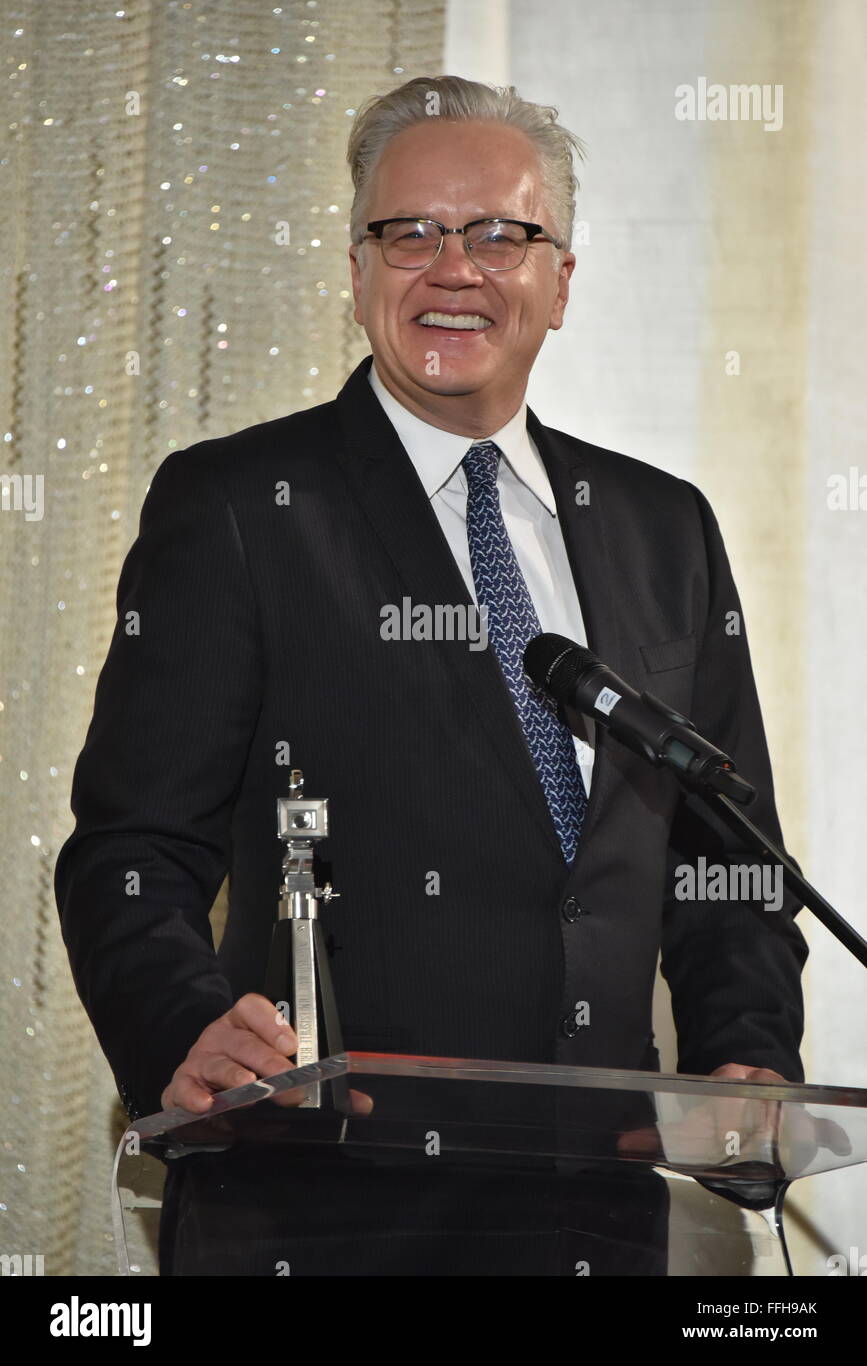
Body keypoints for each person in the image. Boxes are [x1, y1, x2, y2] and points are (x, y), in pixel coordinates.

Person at [55, 75, 807, 1276]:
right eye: (409, 231)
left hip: (597, 1224)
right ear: (358, 273)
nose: (452, 267)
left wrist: (747, 1061)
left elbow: (729, 862)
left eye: (501, 233)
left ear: (561, 281)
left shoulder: (668, 530)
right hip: (323, 1218)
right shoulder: (241, 508)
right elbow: (132, 848)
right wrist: (182, 1024)